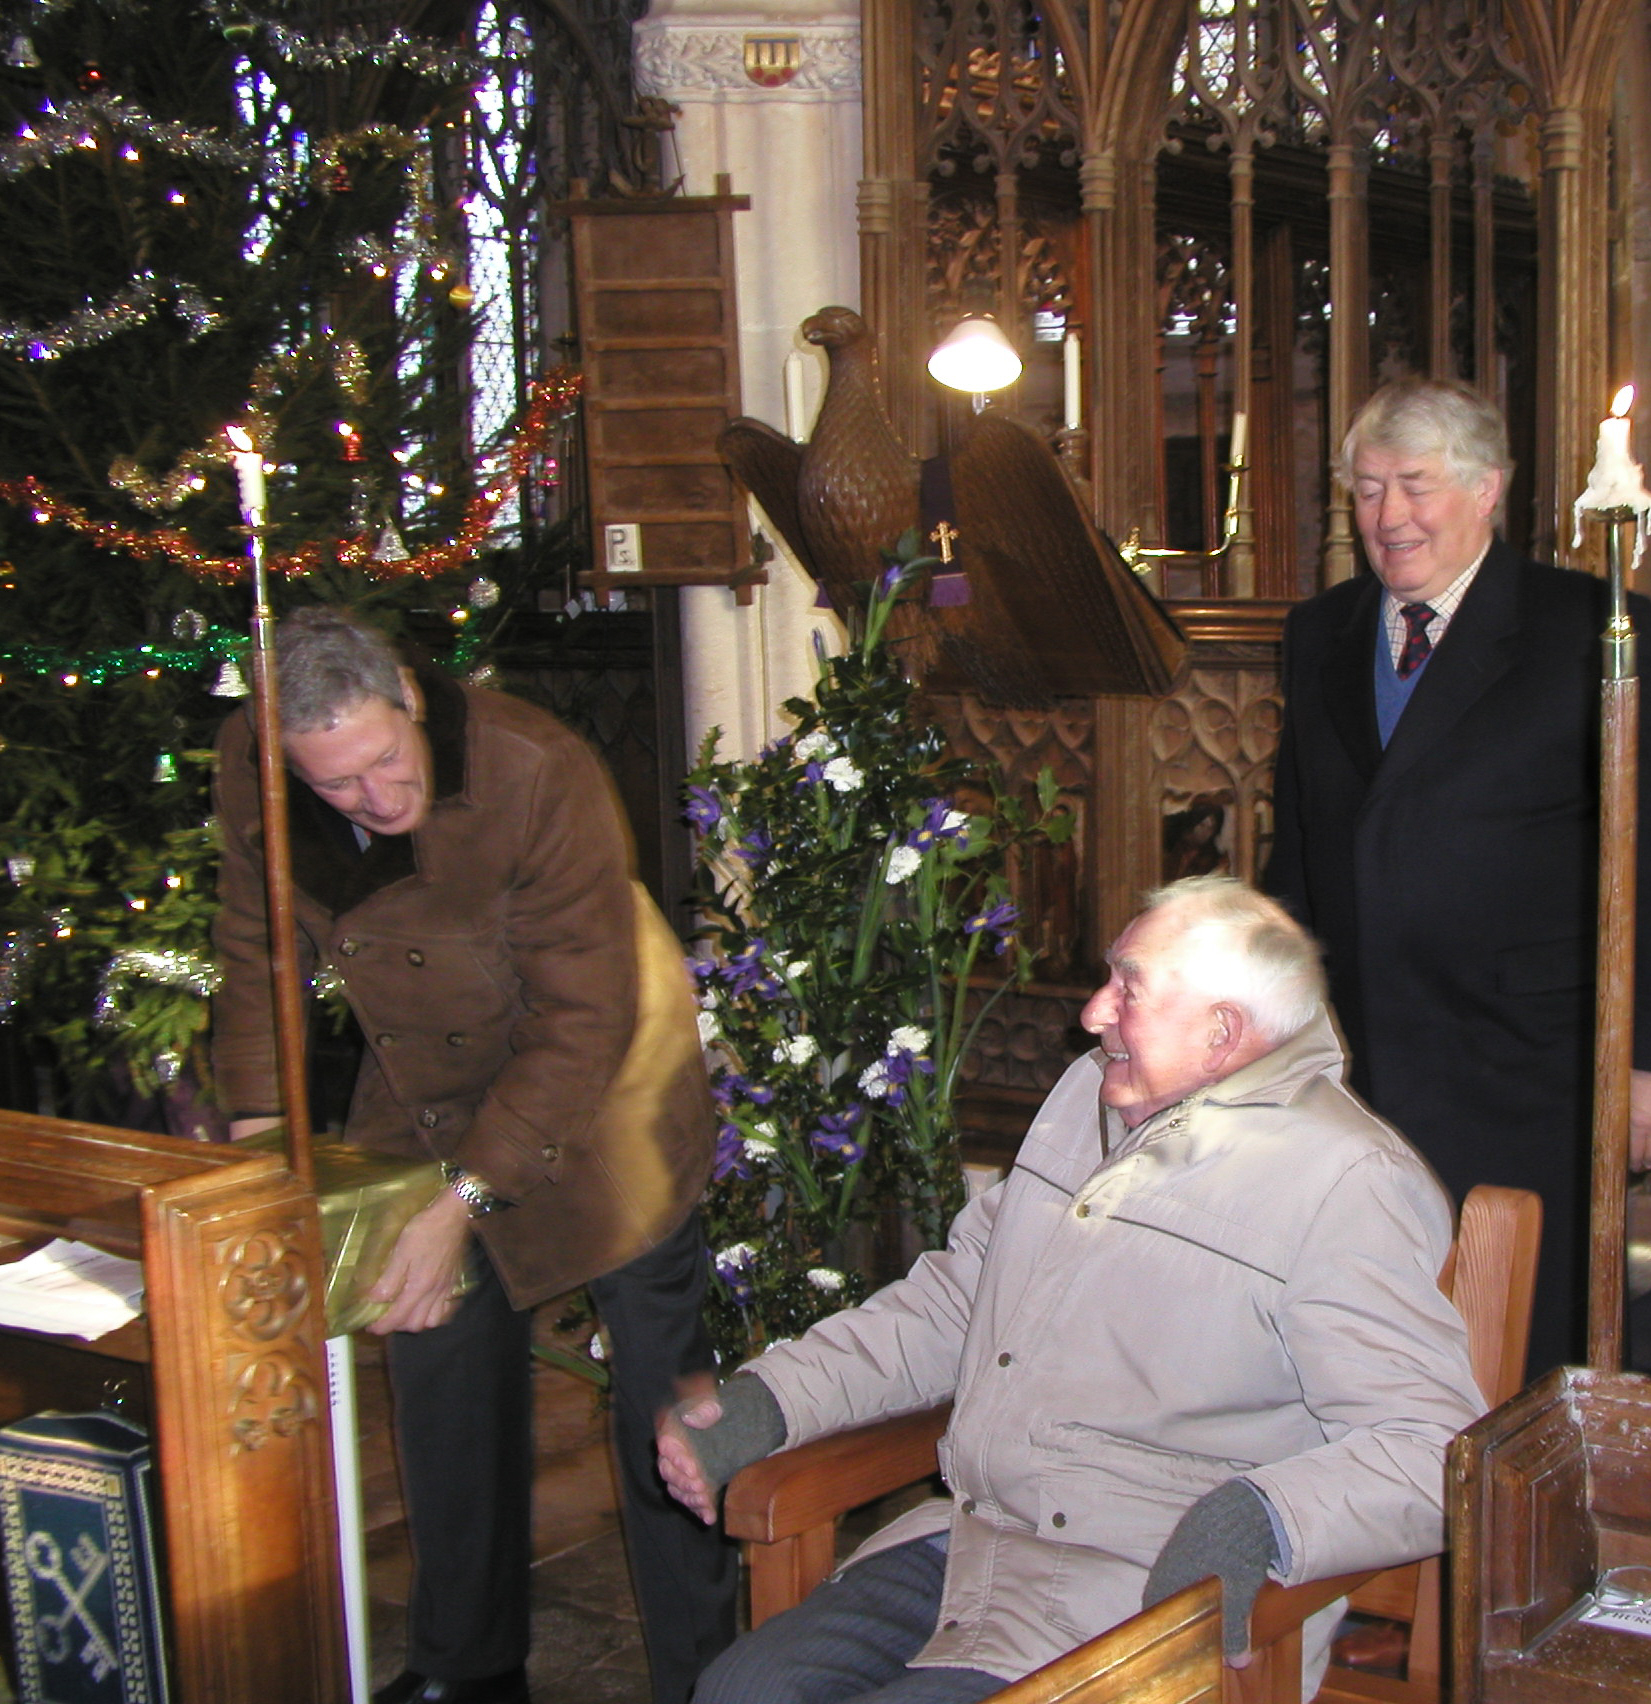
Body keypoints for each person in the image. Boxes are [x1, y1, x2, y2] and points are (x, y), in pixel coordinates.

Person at [655, 877, 1484, 1704]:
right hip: (972, 1548)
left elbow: (1438, 1451)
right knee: (738, 1692)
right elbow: (955, 1305)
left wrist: (1262, 1519)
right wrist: (769, 1402)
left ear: (1221, 1031)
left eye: (1128, 988)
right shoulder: (1084, 1101)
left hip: (1142, 1596)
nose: (1092, 1013)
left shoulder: (1345, 1181)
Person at [211, 608, 734, 1704]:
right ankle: (467, 1664)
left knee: (659, 1397)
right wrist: (259, 1137)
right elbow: (256, 951)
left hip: (610, 1079)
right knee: (436, 1360)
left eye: (385, 763)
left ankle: (710, 1672)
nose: (376, 801)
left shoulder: (535, 768)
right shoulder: (253, 770)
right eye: (337, 786)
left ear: (408, 693)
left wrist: (463, 1200)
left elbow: (582, 1020)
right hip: (427, 1087)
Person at [1265, 378, 1651, 1377]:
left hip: (1527, 1064)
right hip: (1357, 1059)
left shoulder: (1588, 628)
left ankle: (1535, 1529)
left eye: (1413, 485)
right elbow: (1295, 851)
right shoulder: (1319, 634)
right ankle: (1403, 1521)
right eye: (1366, 489)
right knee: (1376, 1326)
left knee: (1530, 1334)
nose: (1387, 516)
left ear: (1486, 489)